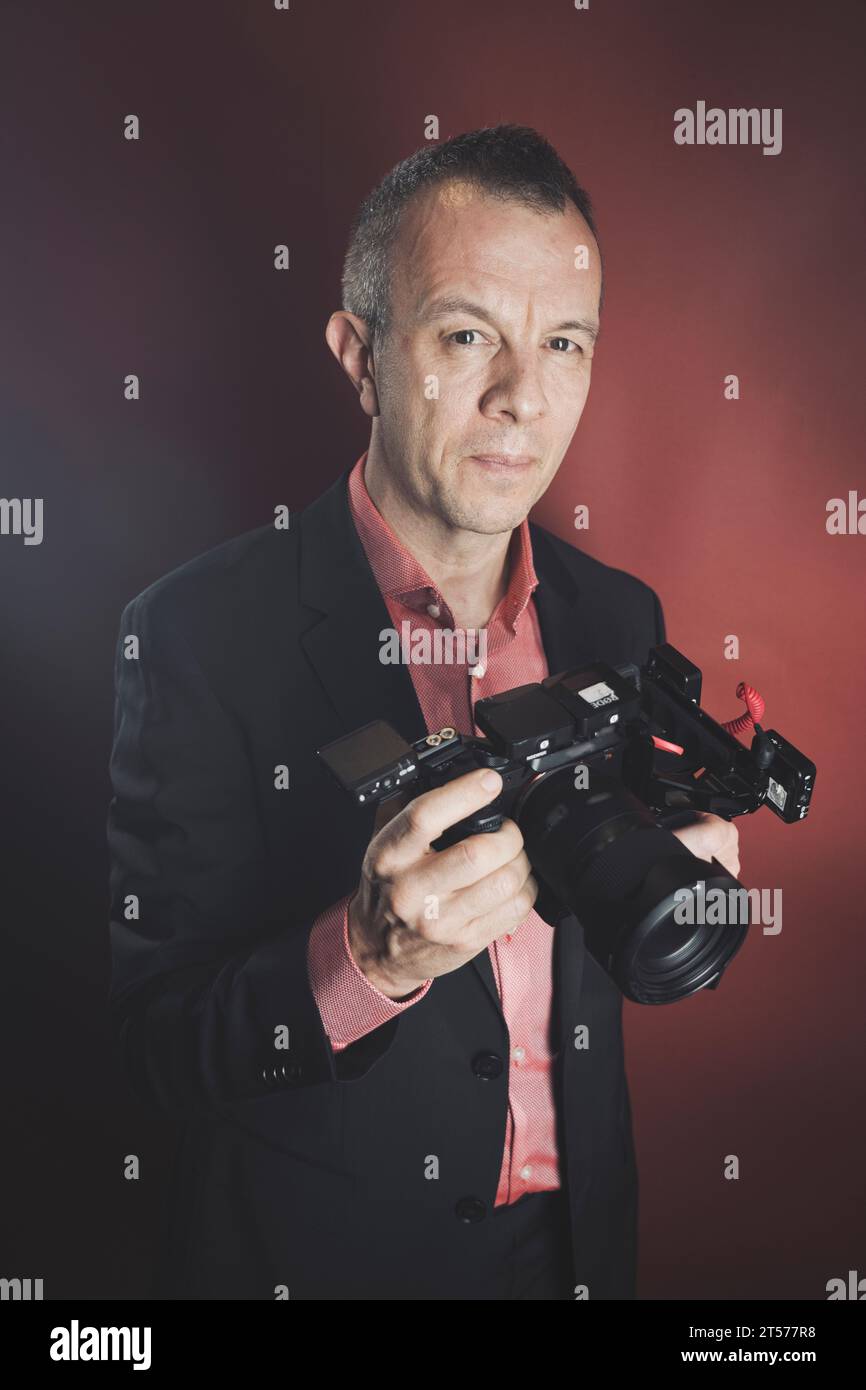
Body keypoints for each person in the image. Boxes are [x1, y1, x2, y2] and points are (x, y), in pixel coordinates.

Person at [107, 123, 739, 1301]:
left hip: (576, 1256)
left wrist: (674, 853)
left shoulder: (621, 617)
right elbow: (149, 1049)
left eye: (562, 342)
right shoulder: (195, 633)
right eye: (465, 335)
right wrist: (360, 960)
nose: (521, 396)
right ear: (359, 357)